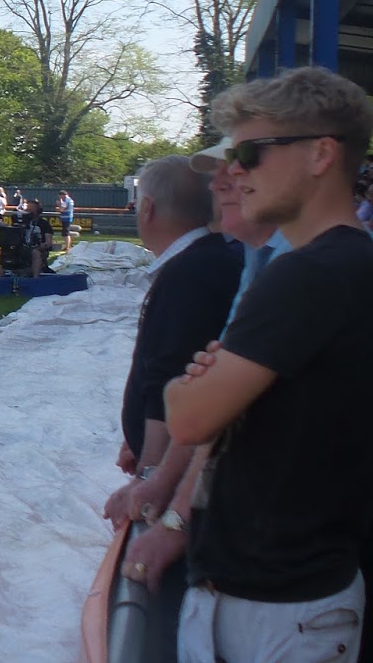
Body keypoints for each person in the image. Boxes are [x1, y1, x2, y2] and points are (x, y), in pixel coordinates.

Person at [164, 67, 373, 661]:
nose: (234, 172)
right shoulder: (346, 264)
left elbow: (188, 418)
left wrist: (191, 382)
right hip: (301, 592)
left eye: (252, 153)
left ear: (320, 155)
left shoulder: (310, 274)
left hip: (276, 606)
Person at [101, 155, 241, 657]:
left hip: (186, 482)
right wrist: (136, 437)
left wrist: (152, 472)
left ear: (148, 207)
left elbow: (171, 380)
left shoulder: (190, 272)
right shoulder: (206, 262)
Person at [17, 199, 53, 277]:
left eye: (30, 210)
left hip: (37, 248)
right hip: (22, 248)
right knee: (3, 252)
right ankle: (1, 278)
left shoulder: (44, 224)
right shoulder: (20, 222)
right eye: (27, 210)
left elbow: (48, 242)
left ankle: (35, 278)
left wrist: (42, 246)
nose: (28, 212)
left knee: (35, 253)